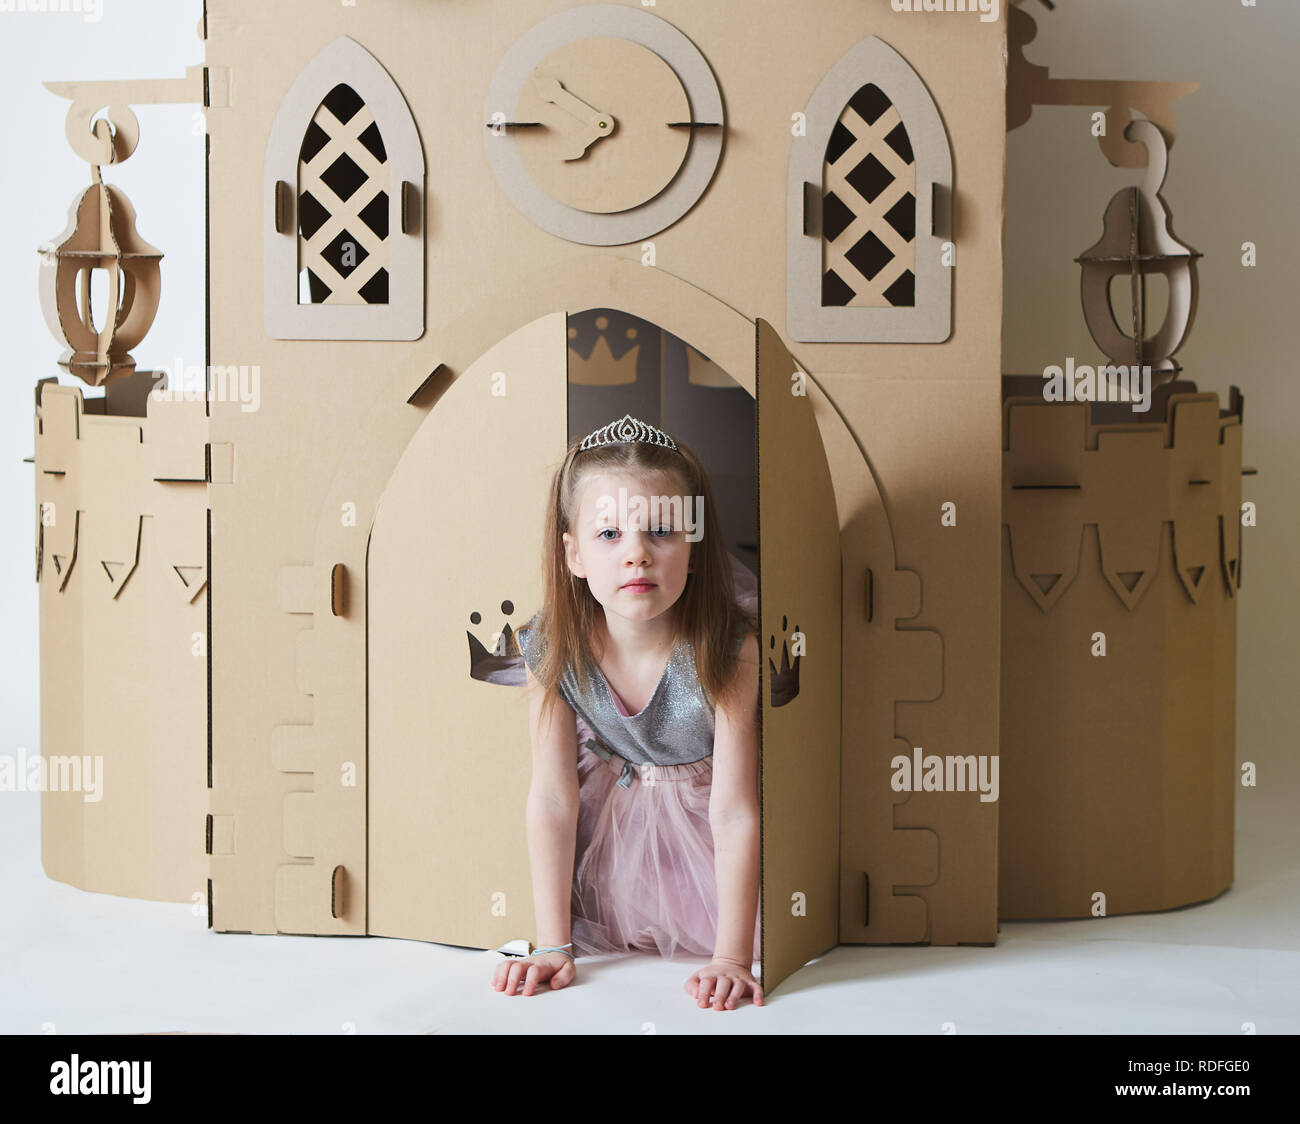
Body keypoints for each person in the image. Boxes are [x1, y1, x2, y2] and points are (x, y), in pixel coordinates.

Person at [489, 414, 763, 1011]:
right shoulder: (551, 647)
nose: (637, 555)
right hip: (613, 845)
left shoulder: (729, 649)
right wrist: (552, 943)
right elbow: (554, 796)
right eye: (609, 536)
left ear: (693, 549)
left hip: (708, 848)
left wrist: (733, 958)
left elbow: (736, 809)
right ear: (574, 554)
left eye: (662, 532)